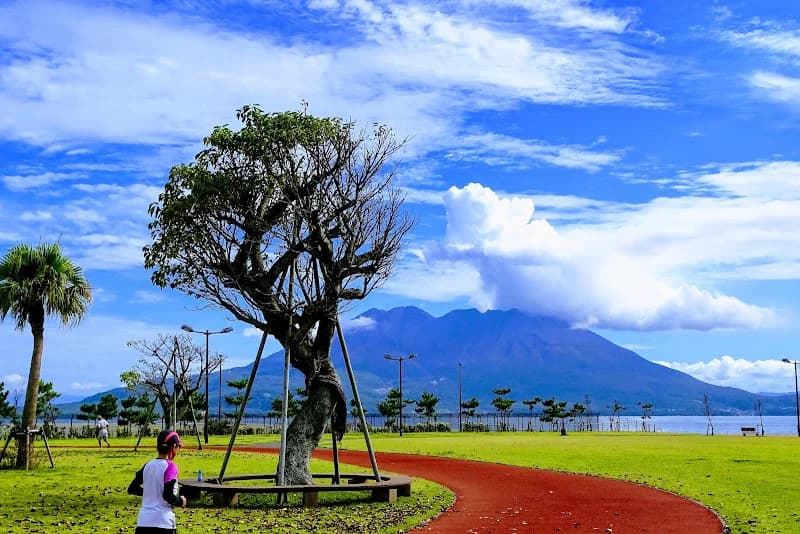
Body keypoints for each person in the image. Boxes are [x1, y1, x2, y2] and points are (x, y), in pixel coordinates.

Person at [127, 430, 187, 533]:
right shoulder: (171, 467)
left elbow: (132, 488)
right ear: (173, 447)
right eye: (178, 446)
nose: (178, 450)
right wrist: (181, 501)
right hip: (163, 523)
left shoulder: (148, 465)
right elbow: (167, 496)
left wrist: (151, 492)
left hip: (143, 523)